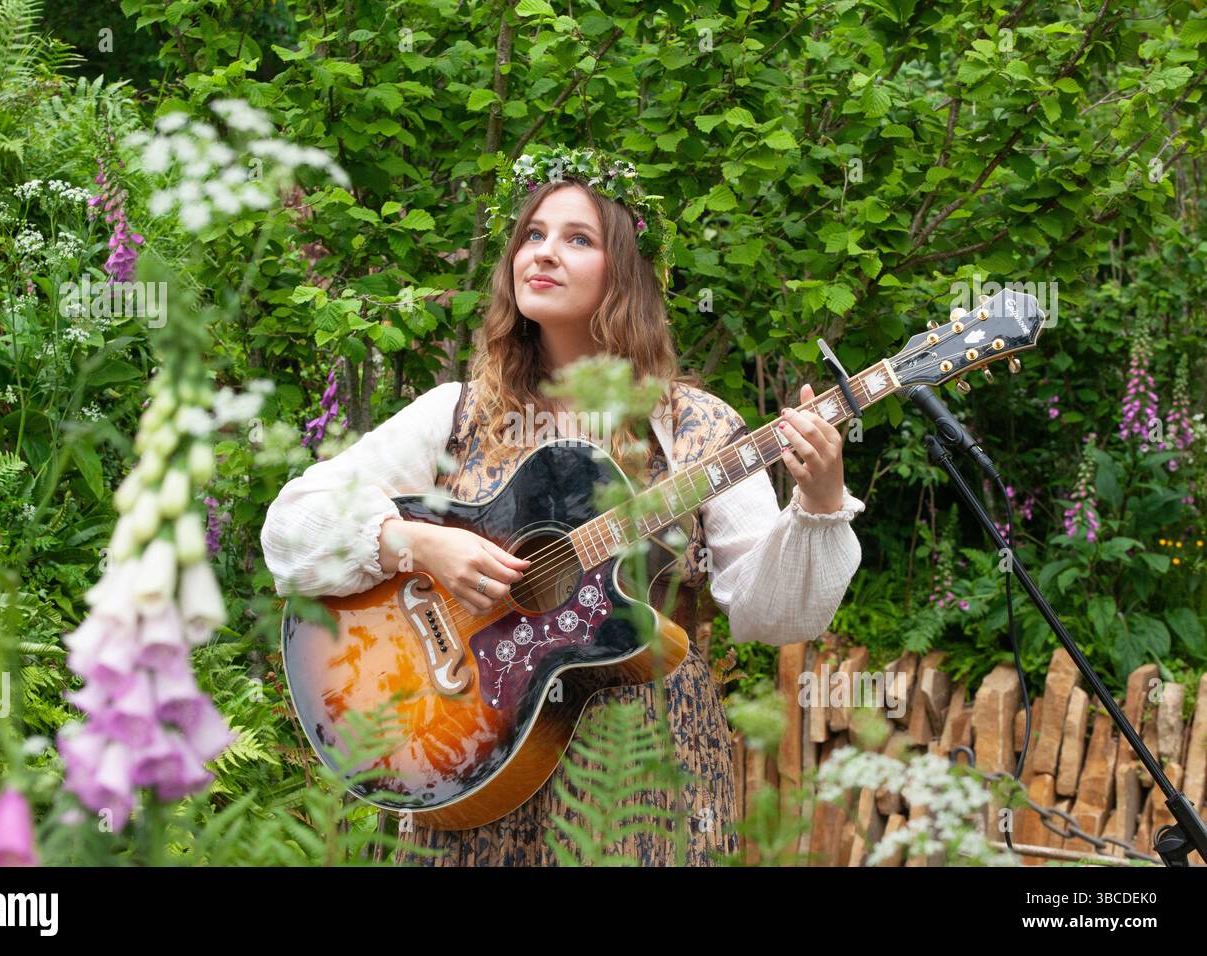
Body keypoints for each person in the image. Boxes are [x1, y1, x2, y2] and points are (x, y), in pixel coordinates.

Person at [260, 145, 866, 866]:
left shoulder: (697, 430)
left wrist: (820, 499)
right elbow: (292, 525)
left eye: (578, 239)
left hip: (646, 770)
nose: (543, 254)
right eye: (533, 235)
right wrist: (419, 546)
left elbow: (777, 616)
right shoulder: (453, 416)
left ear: (626, 277)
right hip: (472, 749)